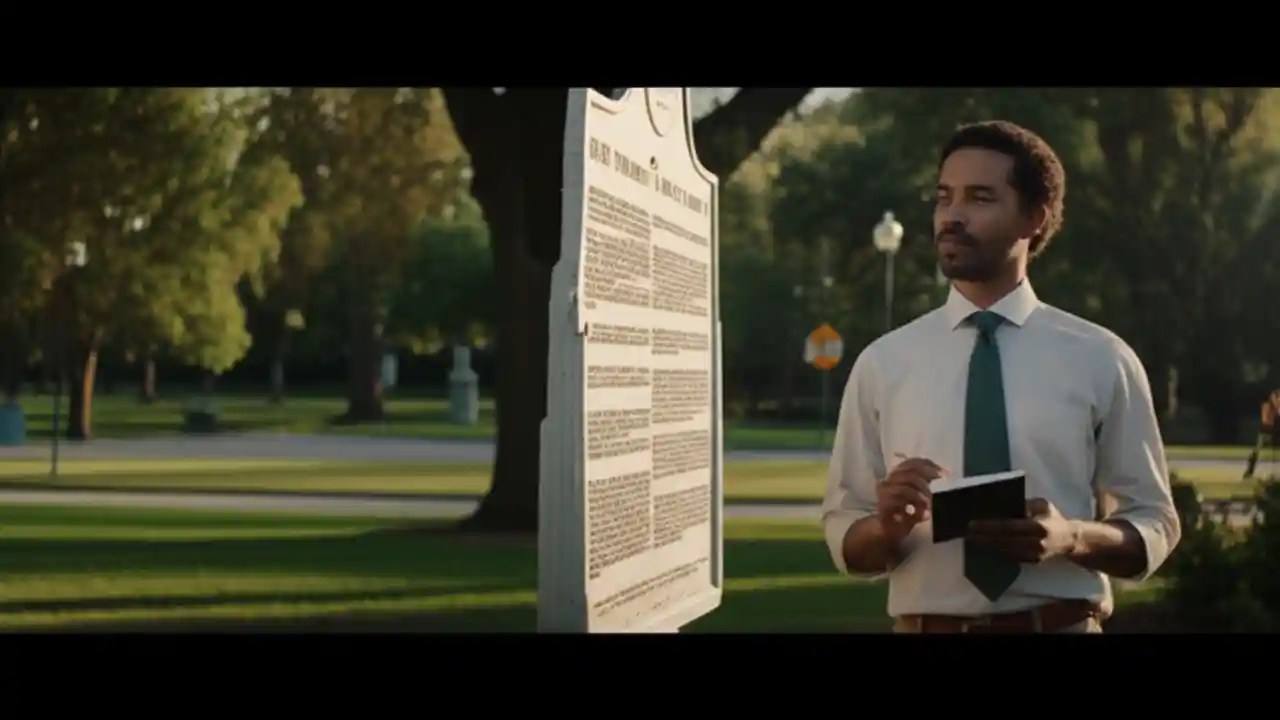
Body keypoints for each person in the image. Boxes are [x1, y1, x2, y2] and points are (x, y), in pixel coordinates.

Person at [820, 120, 1181, 633]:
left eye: (980, 198)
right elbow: (845, 535)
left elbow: (1156, 524)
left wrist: (1072, 538)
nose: (952, 216)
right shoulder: (883, 363)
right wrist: (886, 529)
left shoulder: (1102, 358)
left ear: (1034, 217)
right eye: (944, 198)